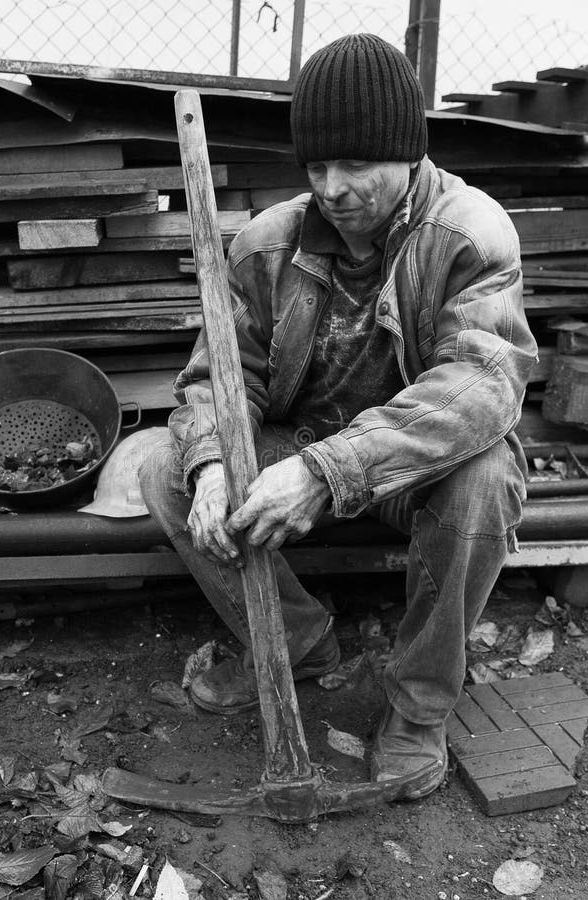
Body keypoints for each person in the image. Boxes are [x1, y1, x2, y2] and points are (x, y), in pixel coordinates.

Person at [139, 33, 538, 800]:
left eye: (357, 163)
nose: (333, 185)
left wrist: (327, 473)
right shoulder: (266, 245)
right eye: (317, 166)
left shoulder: (469, 233)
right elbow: (212, 381)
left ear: (407, 154)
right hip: (301, 445)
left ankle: (420, 708)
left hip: (413, 466)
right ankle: (296, 643)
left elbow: (482, 387)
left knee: (486, 477)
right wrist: (216, 463)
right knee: (167, 464)